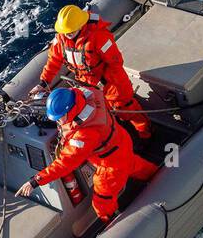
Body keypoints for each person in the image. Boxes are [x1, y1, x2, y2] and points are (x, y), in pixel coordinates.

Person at [16, 86, 158, 222]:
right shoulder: (88, 94)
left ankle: (112, 221)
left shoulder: (84, 135)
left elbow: (64, 163)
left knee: (102, 201)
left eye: (59, 118)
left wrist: (35, 181)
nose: (58, 121)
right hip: (121, 142)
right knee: (135, 164)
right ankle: (158, 174)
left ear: (68, 111)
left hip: (111, 164)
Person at [28, 4, 152, 139]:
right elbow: (53, 62)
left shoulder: (99, 37)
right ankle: (117, 135)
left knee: (128, 110)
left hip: (112, 84)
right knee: (101, 114)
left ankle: (146, 135)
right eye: (65, 32)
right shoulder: (61, 40)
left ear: (81, 25)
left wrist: (103, 84)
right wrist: (43, 82)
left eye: (70, 31)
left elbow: (115, 64)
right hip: (86, 84)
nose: (67, 35)